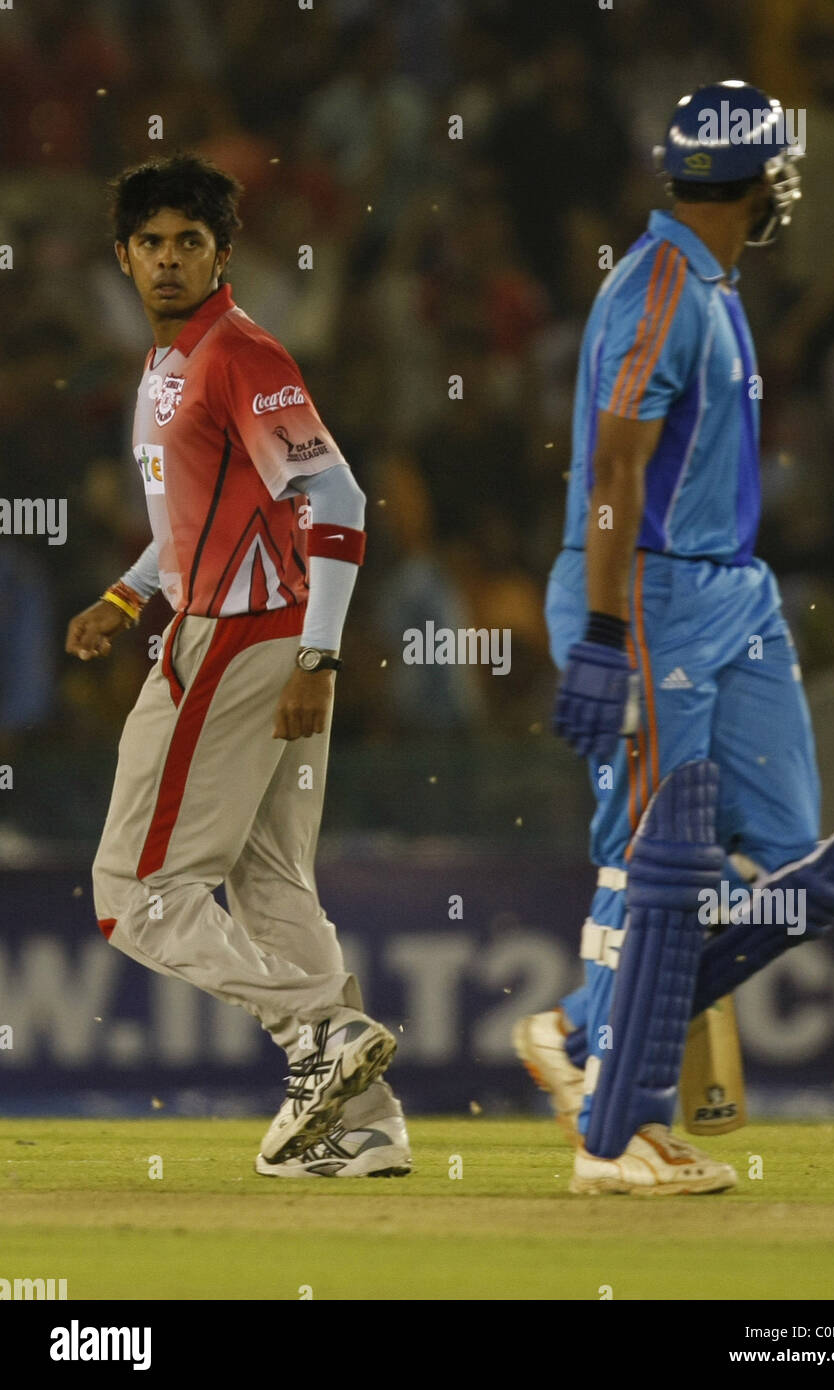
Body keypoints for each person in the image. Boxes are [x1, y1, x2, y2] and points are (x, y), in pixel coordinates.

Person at [514, 84, 834, 1194]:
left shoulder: (712, 286)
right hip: (647, 598)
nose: (787, 190)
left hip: (733, 594)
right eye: (780, 173)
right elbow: (614, 472)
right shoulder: (659, 286)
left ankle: (581, 1030)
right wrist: (596, 629)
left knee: (790, 871)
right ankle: (615, 1129)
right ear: (754, 182)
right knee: (649, 857)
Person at [66, 153, 409, 1179]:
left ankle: (316, 1032)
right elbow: (197, 519)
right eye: (152, 243)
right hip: (261, 635)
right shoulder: (173, 364)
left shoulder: (240, 355)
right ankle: (363, 1125)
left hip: (244, 641)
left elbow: (337, 503)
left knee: (132, 891)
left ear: (224, 252)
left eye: (190, 242)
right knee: (272, 884)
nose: (169, 260)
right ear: (123, 256)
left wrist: (317, 652)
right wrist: (130, 594)